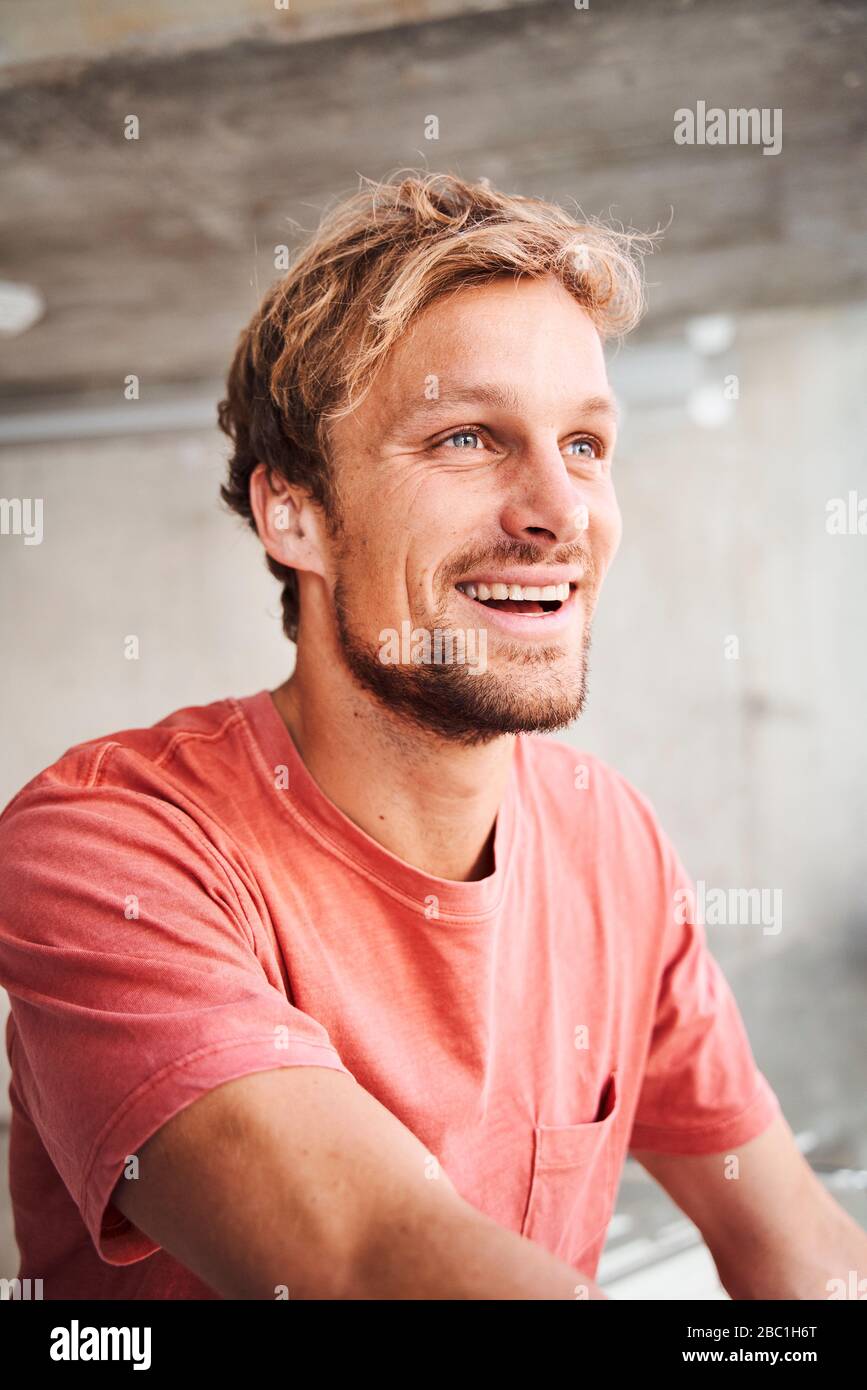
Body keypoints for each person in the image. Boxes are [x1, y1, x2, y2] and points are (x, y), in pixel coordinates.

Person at [1, 172, 864, 1300]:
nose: (559, 511)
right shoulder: (107, 848)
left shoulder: (613, 844)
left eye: (587, 446)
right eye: (467, 437)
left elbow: (801, 1253)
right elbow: (367, 1260)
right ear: (294, 513)